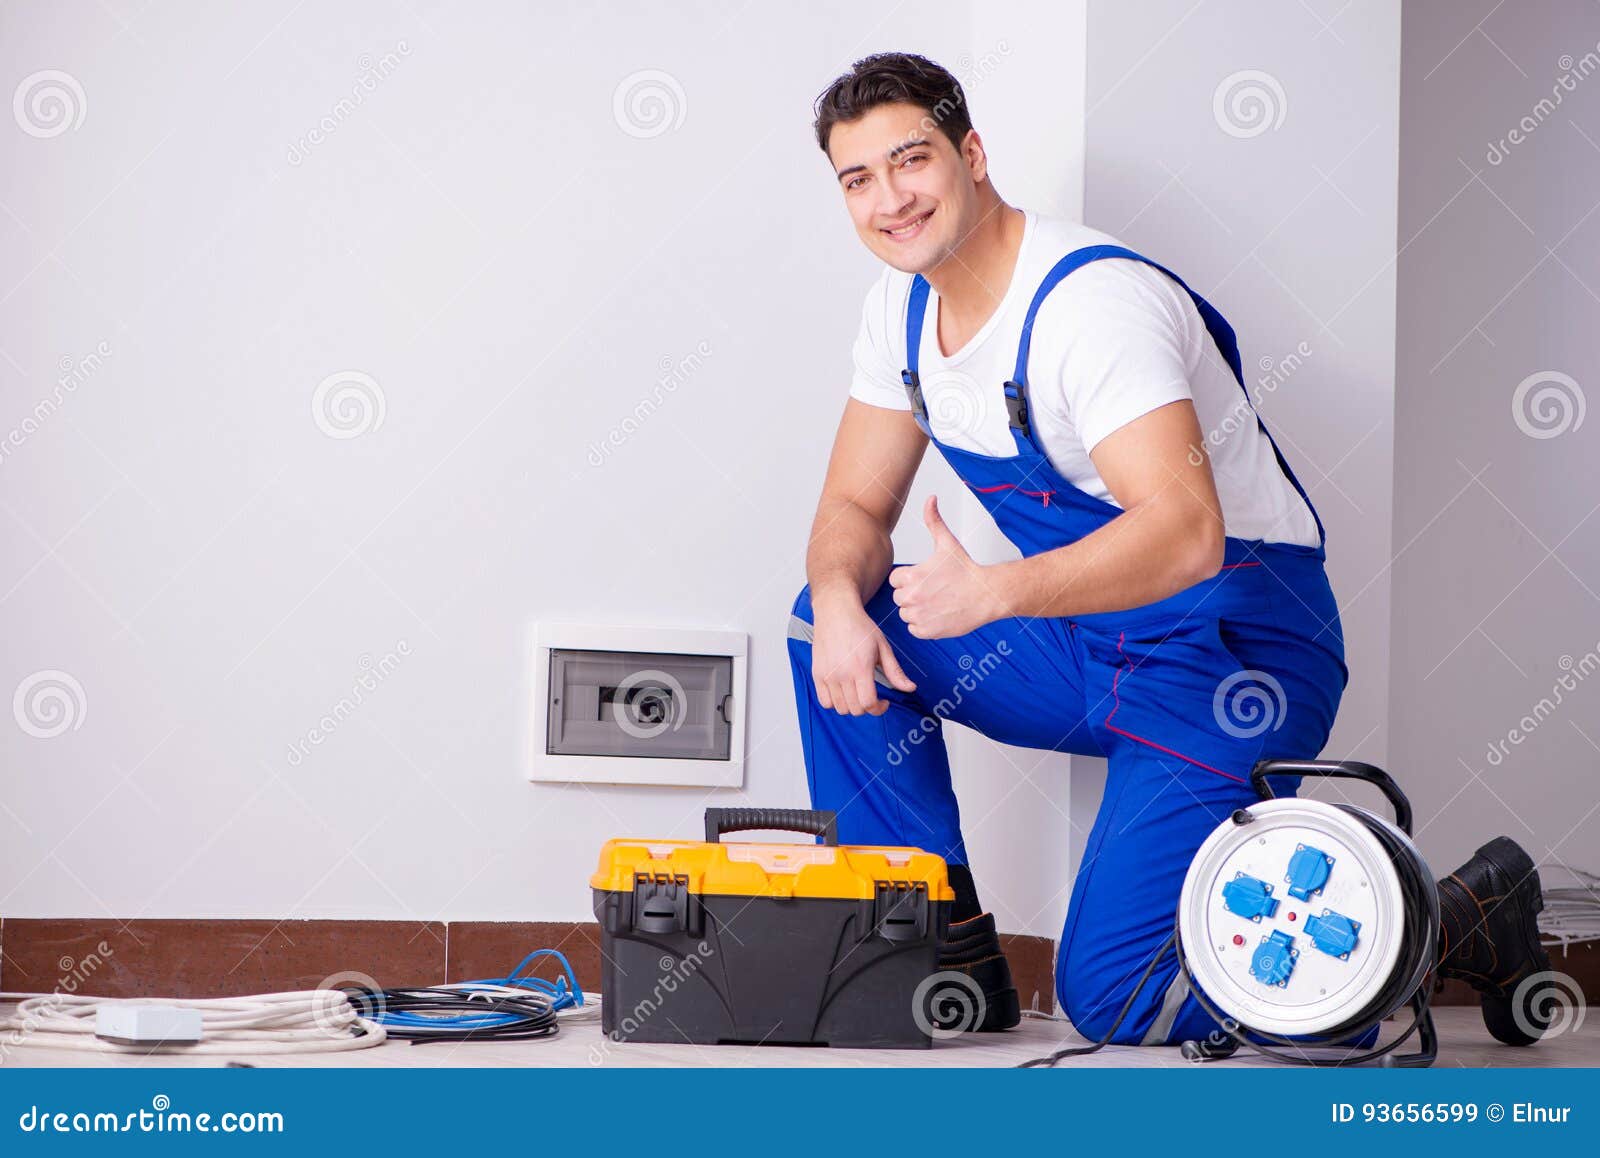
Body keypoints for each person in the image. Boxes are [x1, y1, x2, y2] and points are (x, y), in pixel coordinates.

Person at [785, 52, 1552, 1046]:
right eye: (858, 180)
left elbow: (1185, 532)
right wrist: (843, 604)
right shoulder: (900, 309)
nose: (890, 199)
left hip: (1229, 656)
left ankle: (1461, 917)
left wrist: (997, 593)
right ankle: (930, 943)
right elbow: (852, 499)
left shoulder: (1086, 308)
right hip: (1085, 642)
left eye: (910, 161)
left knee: (1117, 999)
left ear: (970, 155)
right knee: (825, 620)